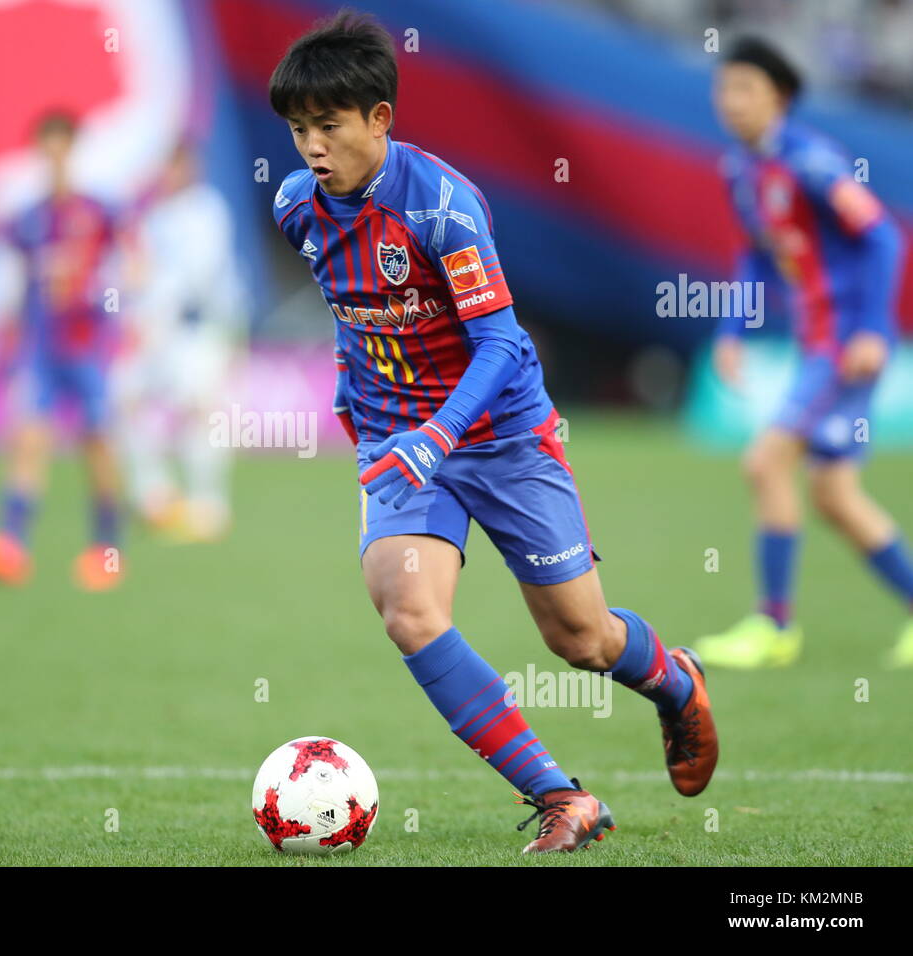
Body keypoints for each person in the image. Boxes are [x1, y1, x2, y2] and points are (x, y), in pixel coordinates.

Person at [268, 10, 717, 854]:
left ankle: (673, 680)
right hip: (400, 447)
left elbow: (505, 343)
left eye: (328, 126)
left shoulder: (443, 206)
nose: (311, 147)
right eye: (298, 130)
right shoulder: (300, 207)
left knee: (580, 639)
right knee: (410, 613)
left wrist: (439, 435)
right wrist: (349, 387)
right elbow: (351, 306)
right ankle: (561, 797)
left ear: (379, 120)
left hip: (501, 435)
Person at [697, 37, 911, 669]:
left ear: (780, 98)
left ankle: (774, 626)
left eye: (745, 90)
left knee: (765, 462)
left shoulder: (812, 163)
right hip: (815, 343)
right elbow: (755, 256)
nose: (730, 103)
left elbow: (883, 239)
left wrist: (873, 327)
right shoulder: (742, 169)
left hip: (843, 343)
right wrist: (732, 333)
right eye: (724, 89)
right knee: (835, 495)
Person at [0, 111, 124, 591]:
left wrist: (101, 294)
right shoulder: (29, 220)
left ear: (74, 149)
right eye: (46, 149)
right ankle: (10, 543)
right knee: (29, 437)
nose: (54, 158)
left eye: (62, 148)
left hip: (88, 346)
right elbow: (18, 283)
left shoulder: (100, 213)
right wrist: (8, 334)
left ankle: (106, 549)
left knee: (96, 444)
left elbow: (134, 267)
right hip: (41, 347)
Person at [113, 141, 246, 542]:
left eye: (178, 166)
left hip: (199, 327)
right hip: (157, 331)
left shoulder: (207, 210)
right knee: (126, 398)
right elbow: (139, 272)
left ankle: (208, 506)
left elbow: (200, 276)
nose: (171, 175)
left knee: (201, 412)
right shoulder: (154, 216)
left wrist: (158, 311)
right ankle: (154, 496)